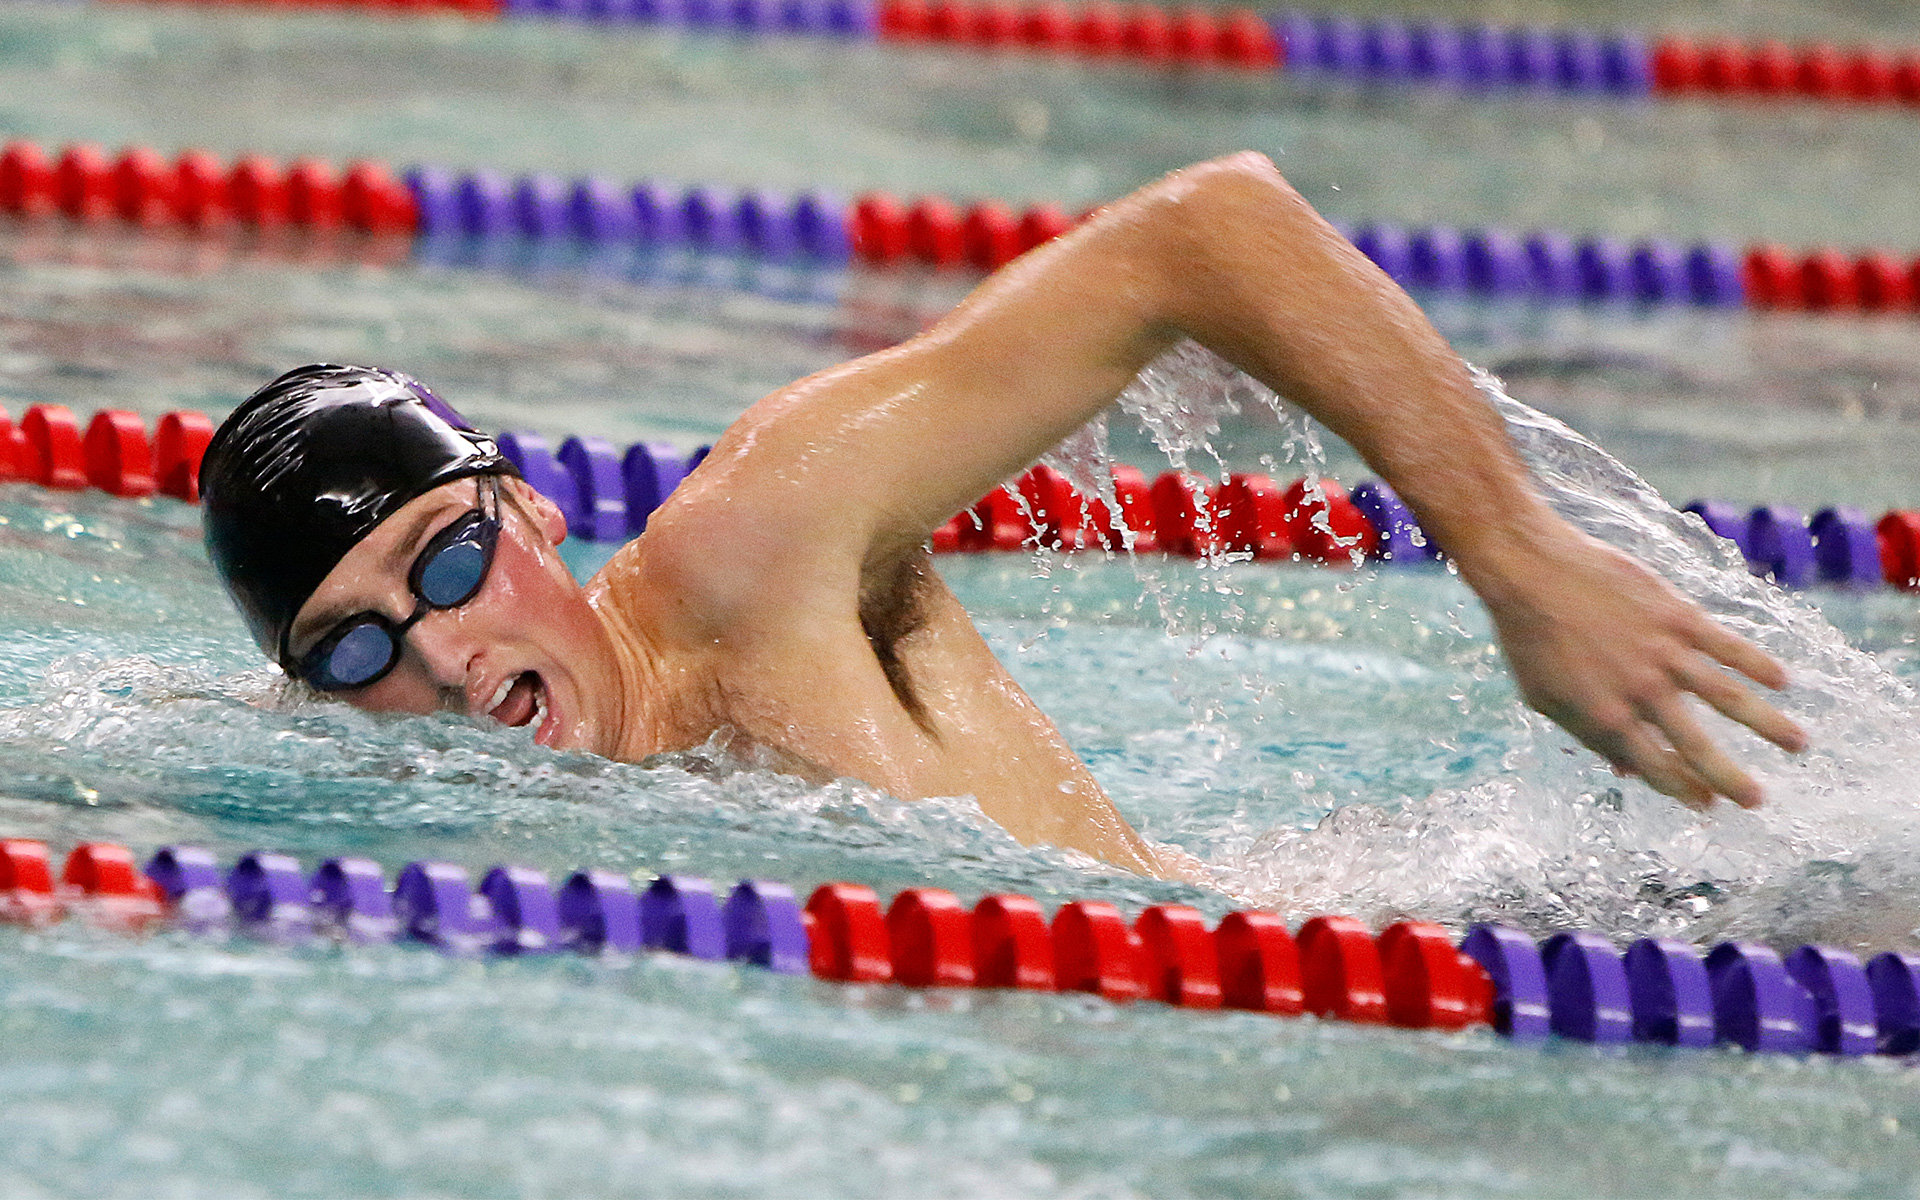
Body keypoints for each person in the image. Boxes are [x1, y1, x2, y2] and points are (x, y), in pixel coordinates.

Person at [200, 152, 1806, 880]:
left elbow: (1208, 231)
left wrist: (1516, 557)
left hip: (1506, 921)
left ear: (537, 514)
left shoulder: (750, 554)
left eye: (449, 559)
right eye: (358, 651)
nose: (442, 656)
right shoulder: (469, 833)